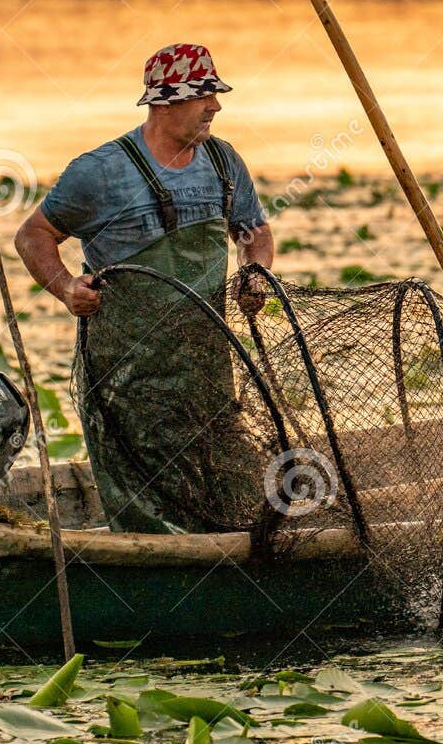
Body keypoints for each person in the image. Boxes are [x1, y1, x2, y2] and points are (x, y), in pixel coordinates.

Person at [14, 43, 275, 532]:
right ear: (165, 102)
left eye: (215, 95)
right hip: (126, 379)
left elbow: (253, 231)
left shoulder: (222, 162)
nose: (215, 107)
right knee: (143, 495)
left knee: (224, 482)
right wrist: (68, 286)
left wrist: (254, 269)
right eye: (204, 97)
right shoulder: (99, 172)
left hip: (204, 371)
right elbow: (33, 235)